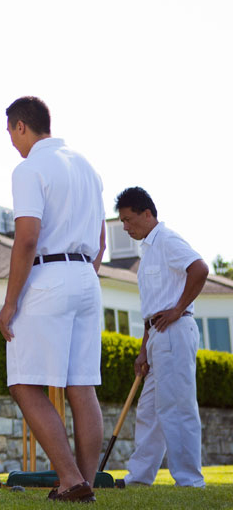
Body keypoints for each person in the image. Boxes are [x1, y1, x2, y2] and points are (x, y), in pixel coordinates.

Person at [0, 97, 105, 503]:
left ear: (21, 126)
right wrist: (81, 278)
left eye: (10, 132)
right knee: (82, 384)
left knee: (24, 383)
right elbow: (100, 241)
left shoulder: (29, 168)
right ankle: (84, 483)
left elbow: (26, 238)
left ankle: (70, 479)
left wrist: (10, 303)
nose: (11, 141)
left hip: (49, 274)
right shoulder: (87, 167)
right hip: (85, 276)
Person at [115, 187, 208, 488]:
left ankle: (190, 481)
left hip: (175, 332)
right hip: (156, 336)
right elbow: (150, 311)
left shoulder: (167, 240)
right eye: (122, 222)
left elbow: (200, 268)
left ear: (147, 213)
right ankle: (140, 478)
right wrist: (143, 351)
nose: (126, 227)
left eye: (129, 220)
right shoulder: (147, 252)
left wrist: (179, 308)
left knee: (177, 407)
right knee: (149, 410)